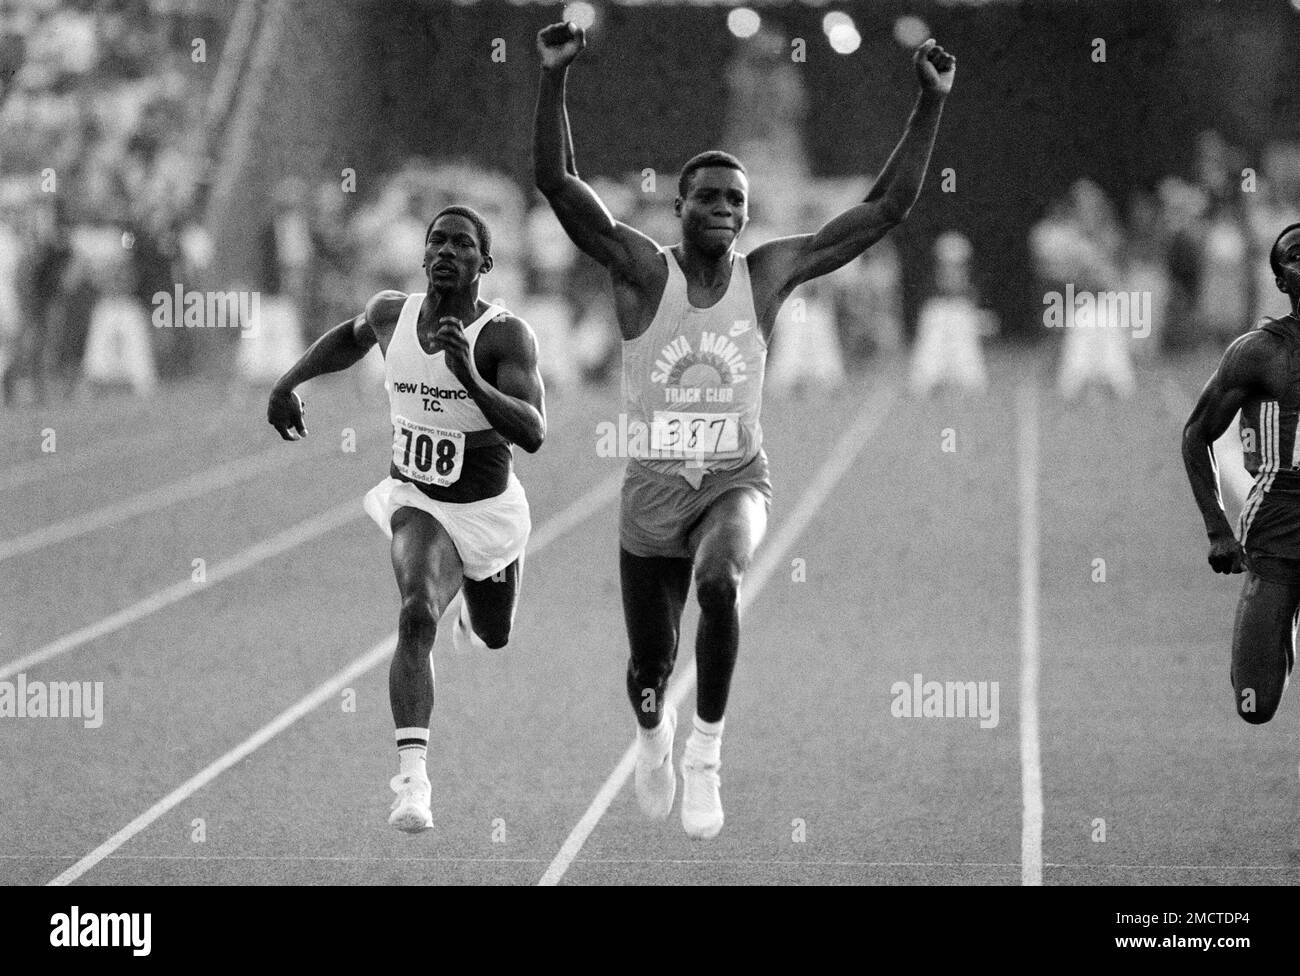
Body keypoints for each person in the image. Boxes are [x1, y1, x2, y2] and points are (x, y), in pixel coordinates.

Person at [533, 21, 954, 838]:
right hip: (651, 494)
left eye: (737, 200)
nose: (724, 209)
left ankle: (706, 754)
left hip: (734, 478)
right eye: (710, 197)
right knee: (650, 669)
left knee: (722, 583)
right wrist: (553, 79)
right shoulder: (640, 270)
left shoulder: (770, 274)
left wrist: (929, 102)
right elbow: (557, 182)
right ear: (680, 206)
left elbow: (886, 207)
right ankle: (655, 735)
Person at [267, 205, 546, 832]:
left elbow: (532, 432)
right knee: (417, 611)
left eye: (462, 244)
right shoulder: (393, 311)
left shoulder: (506, 337)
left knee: (495, 633)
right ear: (423, 257)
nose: (446, 251)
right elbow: (348, 336)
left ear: (486, 263)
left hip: (488, 510)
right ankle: (413, 782)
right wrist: (289, 382)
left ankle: (479, 602)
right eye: (436, 241)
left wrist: (468, 376)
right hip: (417, 500)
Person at [1182, 221, 1300, 726]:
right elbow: (1196, 435)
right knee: (1255, 703)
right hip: (1279, 514)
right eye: (1297, 258)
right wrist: (1217, 529)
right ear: (1280, 280)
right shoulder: (1259, 351)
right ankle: (1280, 634)